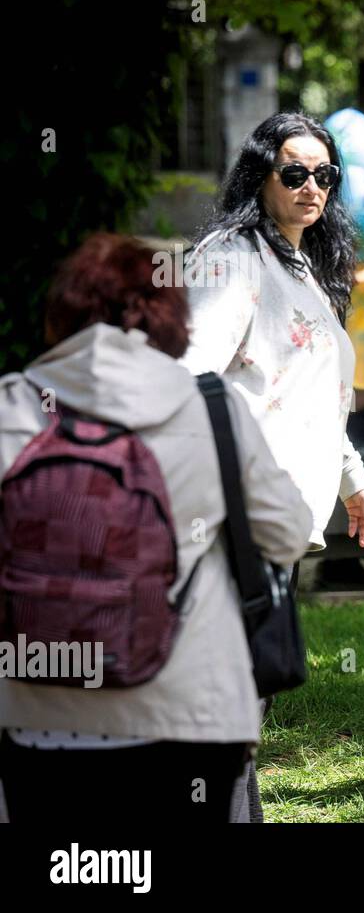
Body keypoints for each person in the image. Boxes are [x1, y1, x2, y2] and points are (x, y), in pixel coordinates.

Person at [0, 234, 311, 822]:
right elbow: (288, 534)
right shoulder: (214, 412)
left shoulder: (12, 407)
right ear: (171, 316)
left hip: (36, 716)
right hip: (186, 718)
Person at [179, 111, 364, 821]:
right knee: (227, 693)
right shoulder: (233, 258)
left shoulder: (300, 267)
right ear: (260, 176)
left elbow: (311, 396)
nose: (311, 187)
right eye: (293, 172)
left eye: (324, 174)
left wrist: (354, 482)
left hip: (276, 518)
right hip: (229, 512)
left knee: (248, 688)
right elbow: (190, 380)